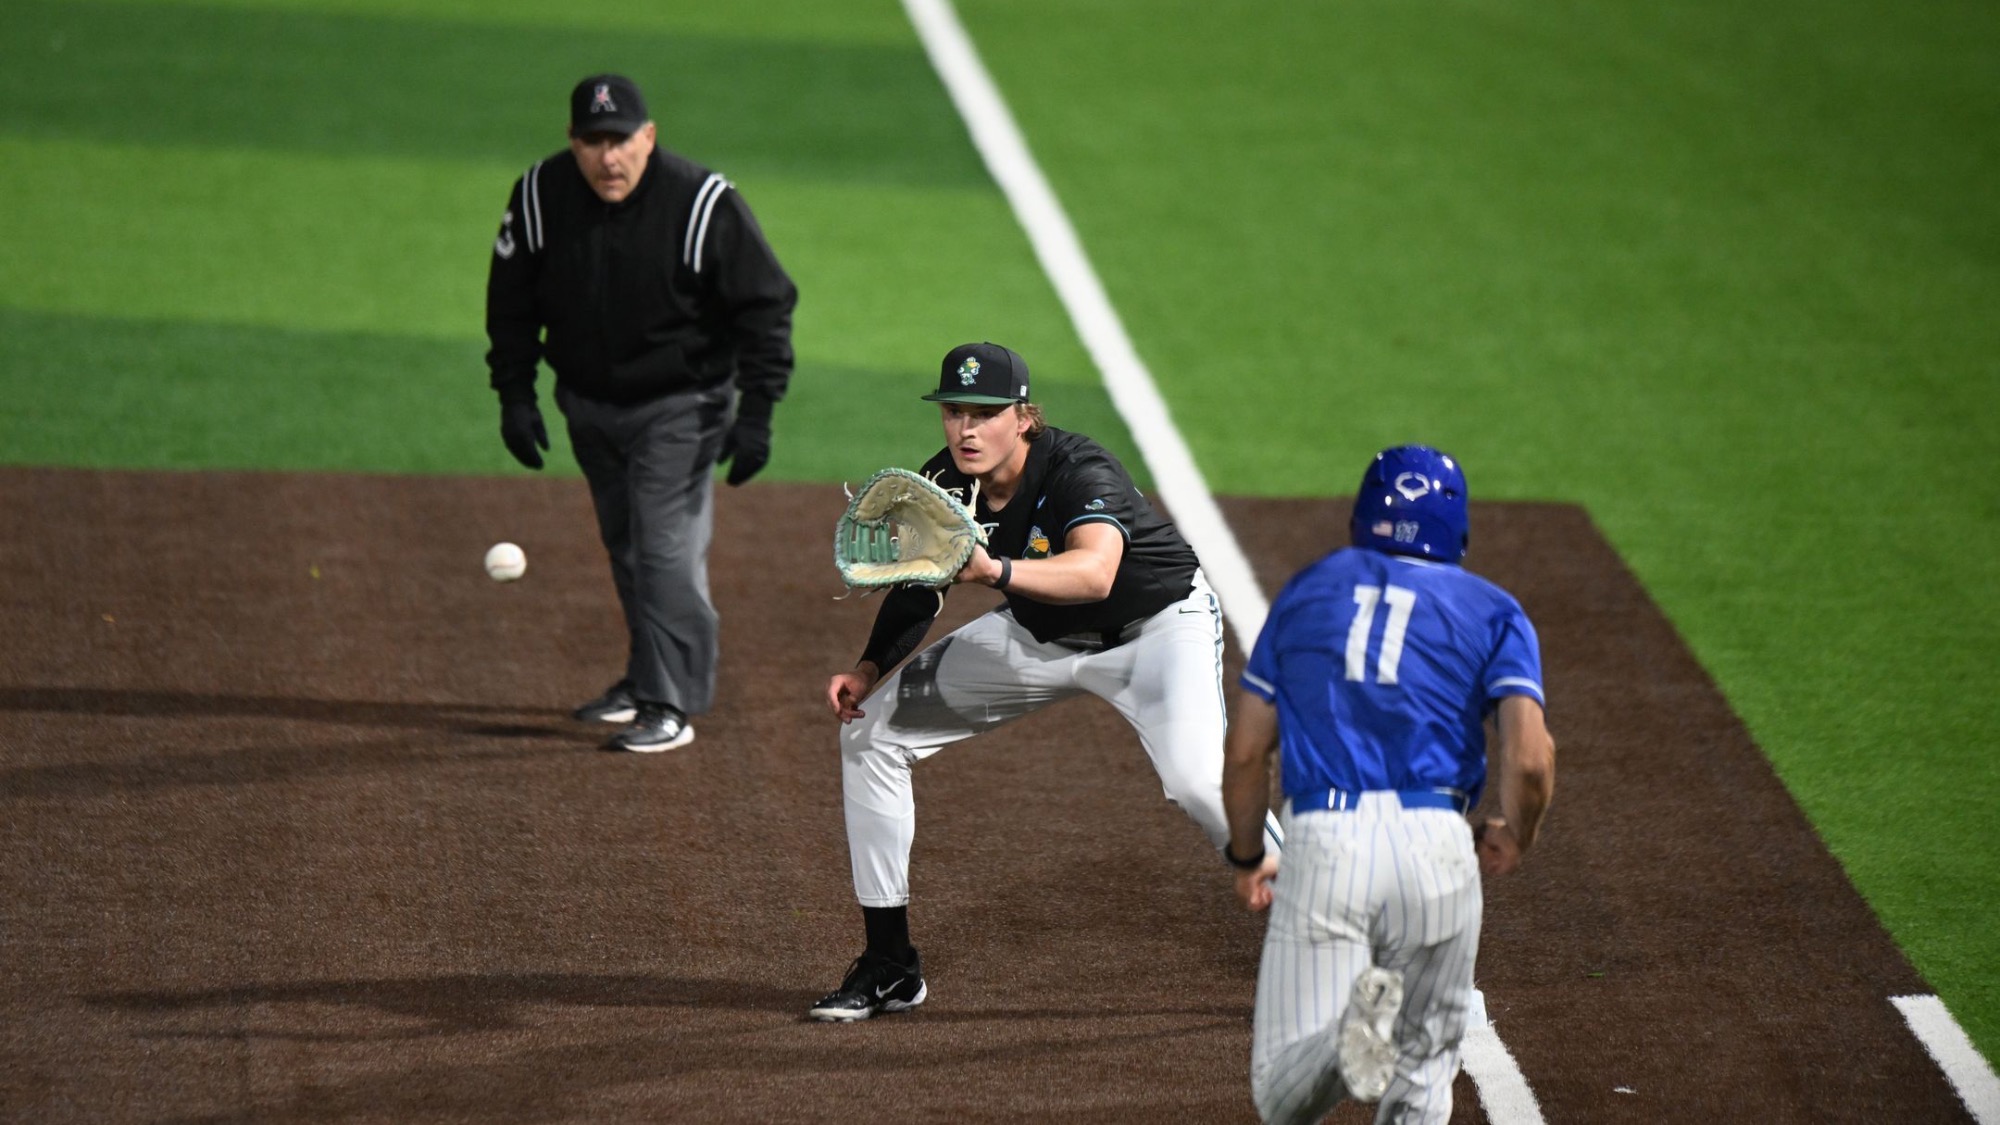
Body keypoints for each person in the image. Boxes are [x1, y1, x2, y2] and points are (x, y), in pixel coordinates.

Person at [806, 341, 1273, 1021]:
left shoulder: (1079, 469)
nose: (966, 429)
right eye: (954, 412)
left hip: (1155, 633)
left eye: (985, 414)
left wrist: (993, 571)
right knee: (870, 736)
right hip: (1038, 635)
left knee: (1199, 782)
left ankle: (1329, 934)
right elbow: (921, 587)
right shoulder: (945, 482)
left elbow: (1095, 574)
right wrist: (869, 667)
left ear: (1024, 417)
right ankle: (890, 965)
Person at [1221, 445, 1556, 1124]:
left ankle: (1347, 1049)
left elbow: (1247, 751)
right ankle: (1365, 1046)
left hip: (1328, 841)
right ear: (1457, 526)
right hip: (1439, 845)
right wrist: (1517, 832)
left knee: (1282, 1096)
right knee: (1425, 1072)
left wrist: (1250, 854)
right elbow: (1528, 759)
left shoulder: (1309, 591)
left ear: (1361, 513)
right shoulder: (1496, 611)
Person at [485, 74, 797, 752]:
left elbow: (767, 303)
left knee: (663, 552)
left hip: (681, 406)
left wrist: (758, 411)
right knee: (627, 546)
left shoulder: (701, 202)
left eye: (621, 140)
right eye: (593, 142)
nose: (609, 157)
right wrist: (515, 394)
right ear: (572, 142)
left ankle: (670, 702)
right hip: (588, 405)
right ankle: (645, 677)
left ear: (648, 137)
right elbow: (510, 302)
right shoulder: (539, 196)